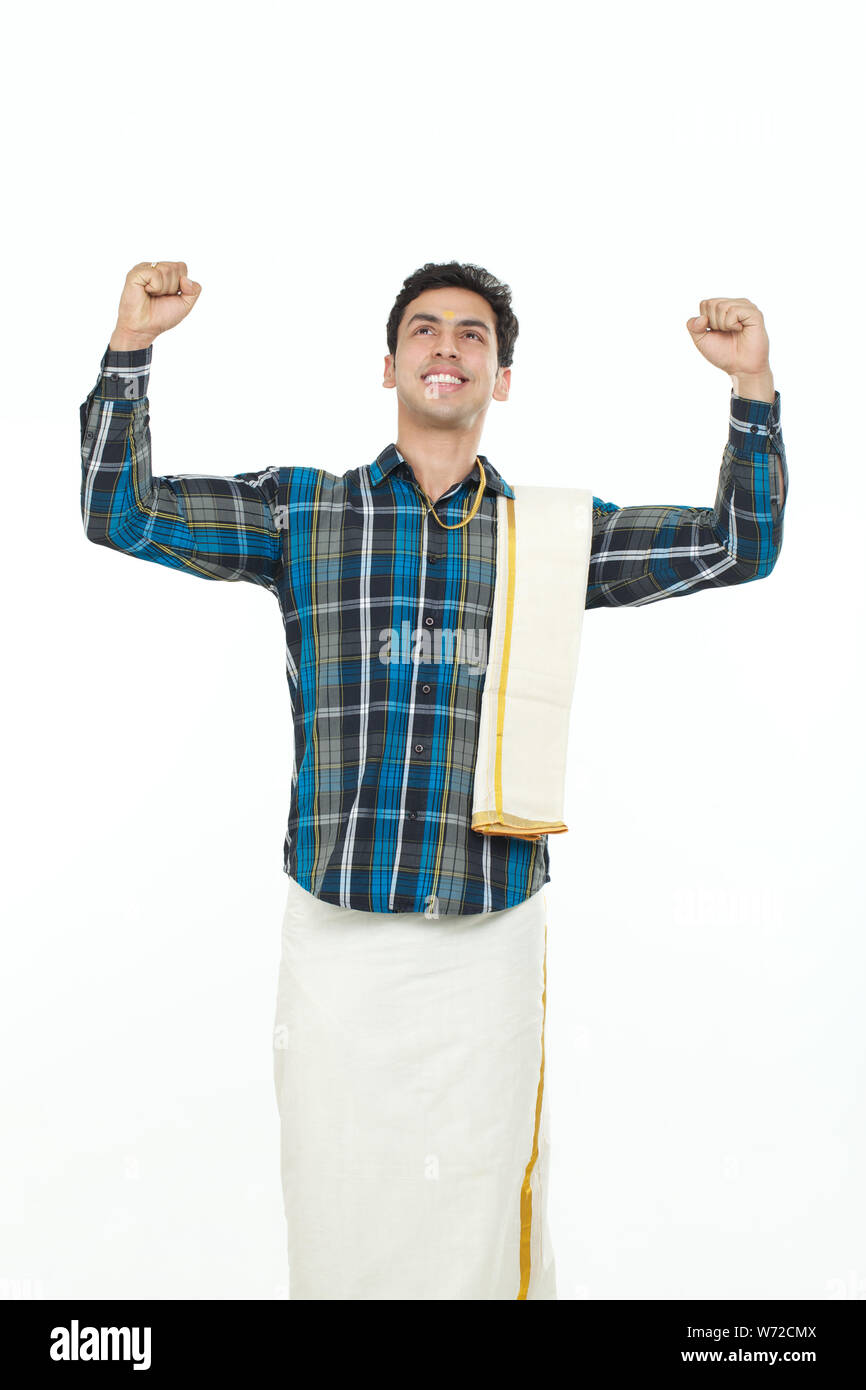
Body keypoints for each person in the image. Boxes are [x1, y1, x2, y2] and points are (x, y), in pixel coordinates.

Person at [80, 260, 788, 1300]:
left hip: (485, 932)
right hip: (337, 932)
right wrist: (130, 349)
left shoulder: (550, 535)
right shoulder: (302, 513)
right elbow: (122, 513)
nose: (446, 346)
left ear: (500, 377)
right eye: (423, 329)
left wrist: (752, 390)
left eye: (471, 335)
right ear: (388, 364)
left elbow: (740, 545)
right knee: (337, 1199)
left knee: (475, 1199)